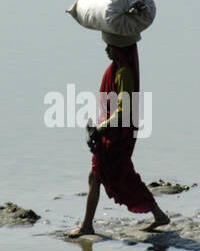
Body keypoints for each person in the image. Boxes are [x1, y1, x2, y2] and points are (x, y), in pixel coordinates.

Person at [67, 39, 170, 236]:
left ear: (119, 49)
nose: (107, 50)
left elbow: (123, 110)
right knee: (119, 175)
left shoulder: (124, 74)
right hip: (112, 132)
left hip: (117, 135)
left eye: (110, 46)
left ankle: (87, 226)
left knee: (106, 175)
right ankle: (158, 215)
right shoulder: (115, 69)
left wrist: (100, 129)